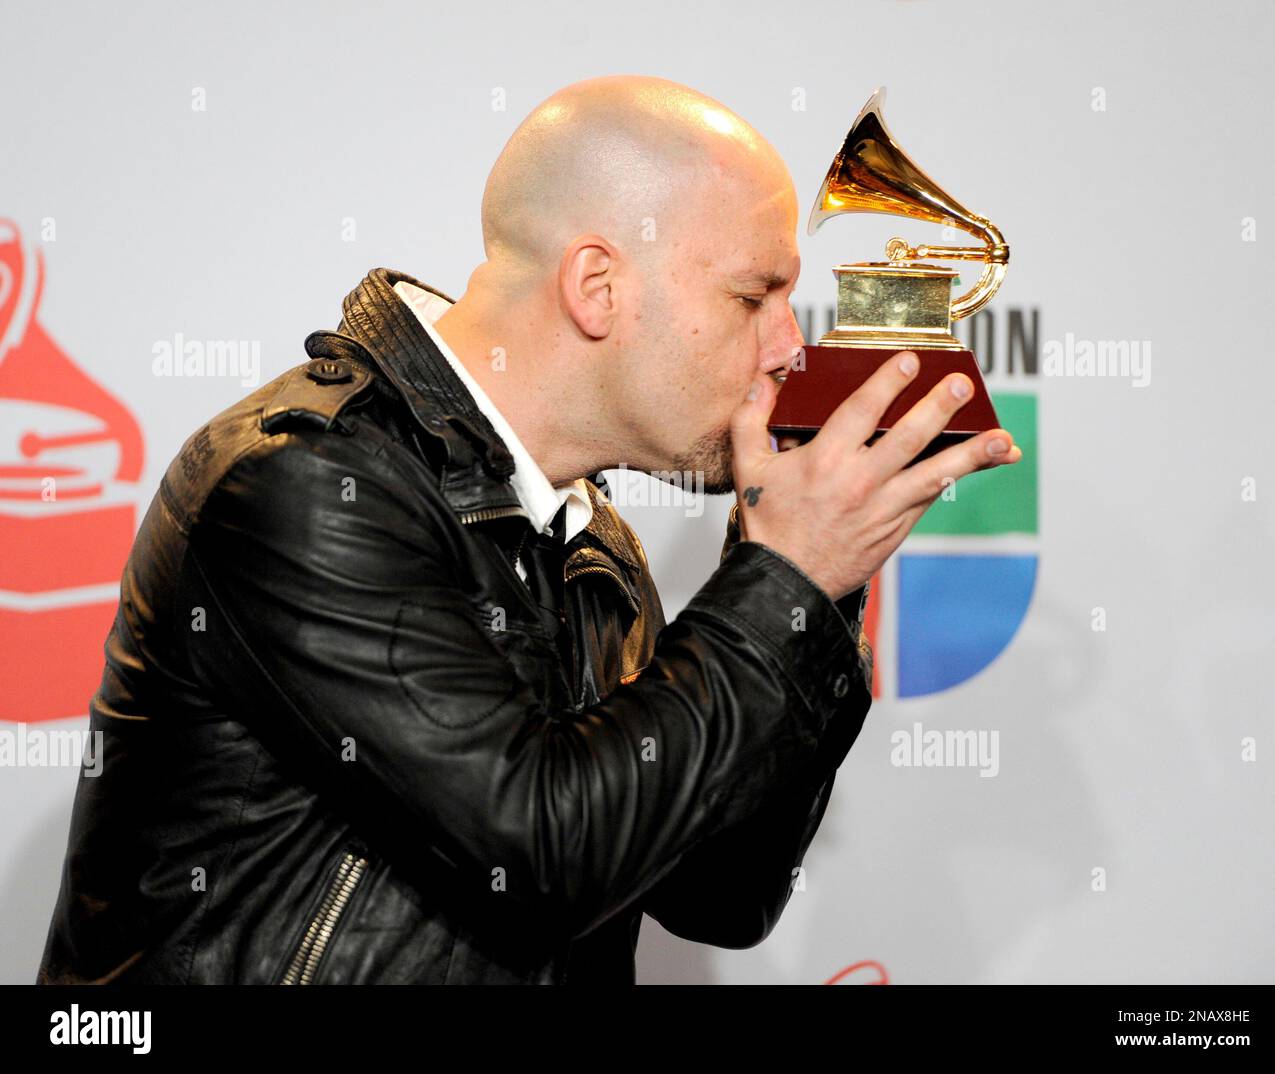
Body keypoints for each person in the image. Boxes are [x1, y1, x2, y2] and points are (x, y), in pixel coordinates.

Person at [37, 74, 1019, 985]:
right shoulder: (303, 484)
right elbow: (543, 849)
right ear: (597, 286)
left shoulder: (591, 540)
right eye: (753, 295)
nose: (788, 346)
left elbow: (717, 895)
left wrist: (815, 590)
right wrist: (781, 578)